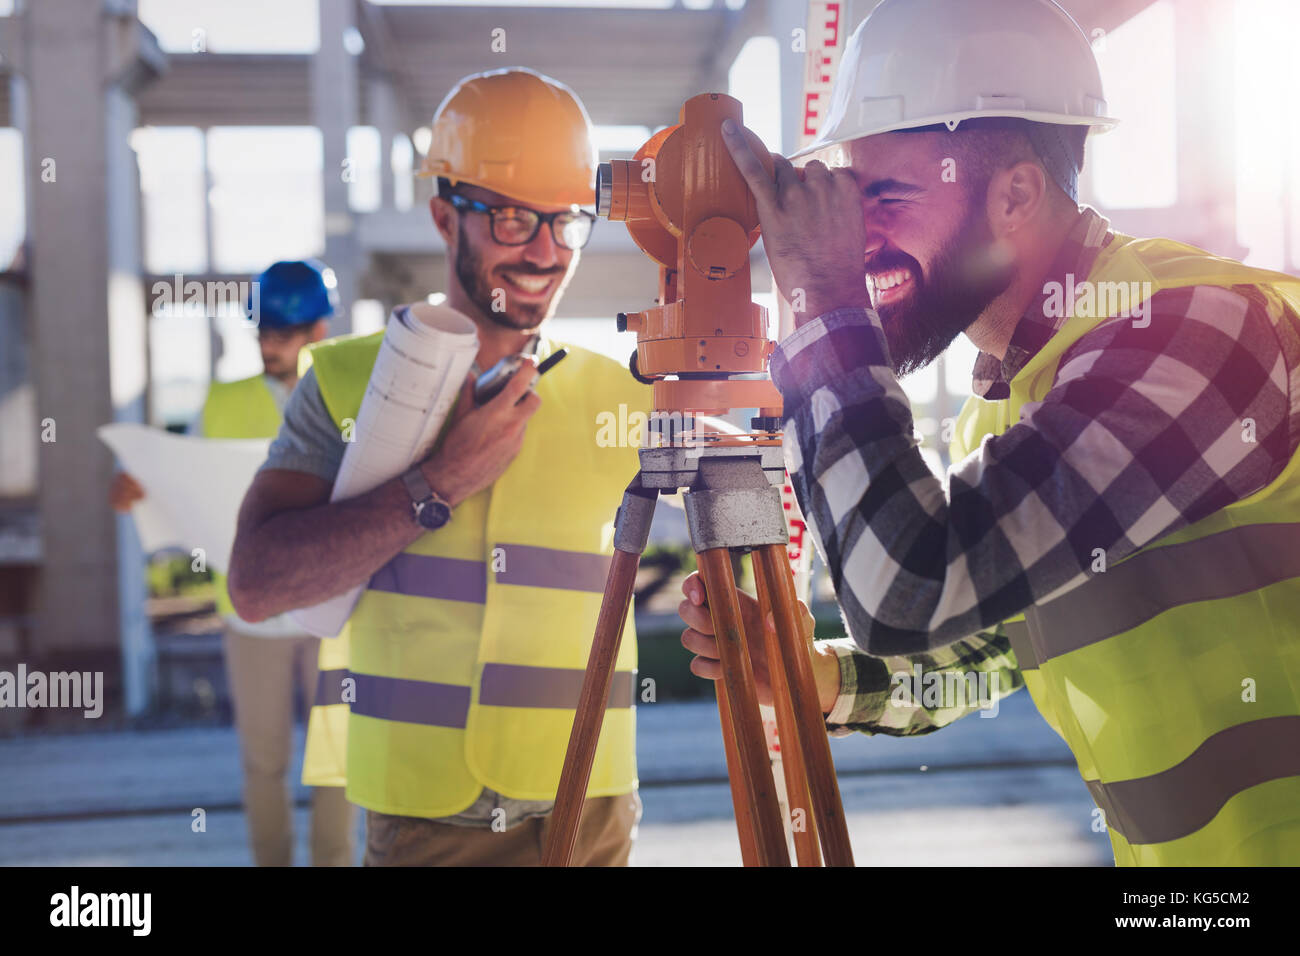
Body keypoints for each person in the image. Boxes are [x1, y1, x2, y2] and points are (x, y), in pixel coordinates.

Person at [678, 0, 1300, 866]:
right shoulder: (1011, 402)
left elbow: (910, 586)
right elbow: (987, 653)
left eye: (885, 197)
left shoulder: (1202, 332)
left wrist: (825, 303)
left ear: (1015, 194)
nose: (857, 238)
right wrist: (816, 682)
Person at [226, 68, 651, 867]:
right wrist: (435, 485)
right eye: (516, 219)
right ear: (444, 217)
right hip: (426, 818)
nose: (545, 252)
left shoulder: (619, 394)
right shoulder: (346, 381)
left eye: (568, 223)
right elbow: (257, 584)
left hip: (588, 807)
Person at [111, 259, 357, 866]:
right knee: (262, 762)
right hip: (250, 618)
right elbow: (179, 477)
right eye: (262, 333)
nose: (267, 345)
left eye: (281, 334)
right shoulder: (221, 403)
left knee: (338, 763)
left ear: (318, 332)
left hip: (333, 614)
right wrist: (139, 486)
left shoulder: (353, 399)